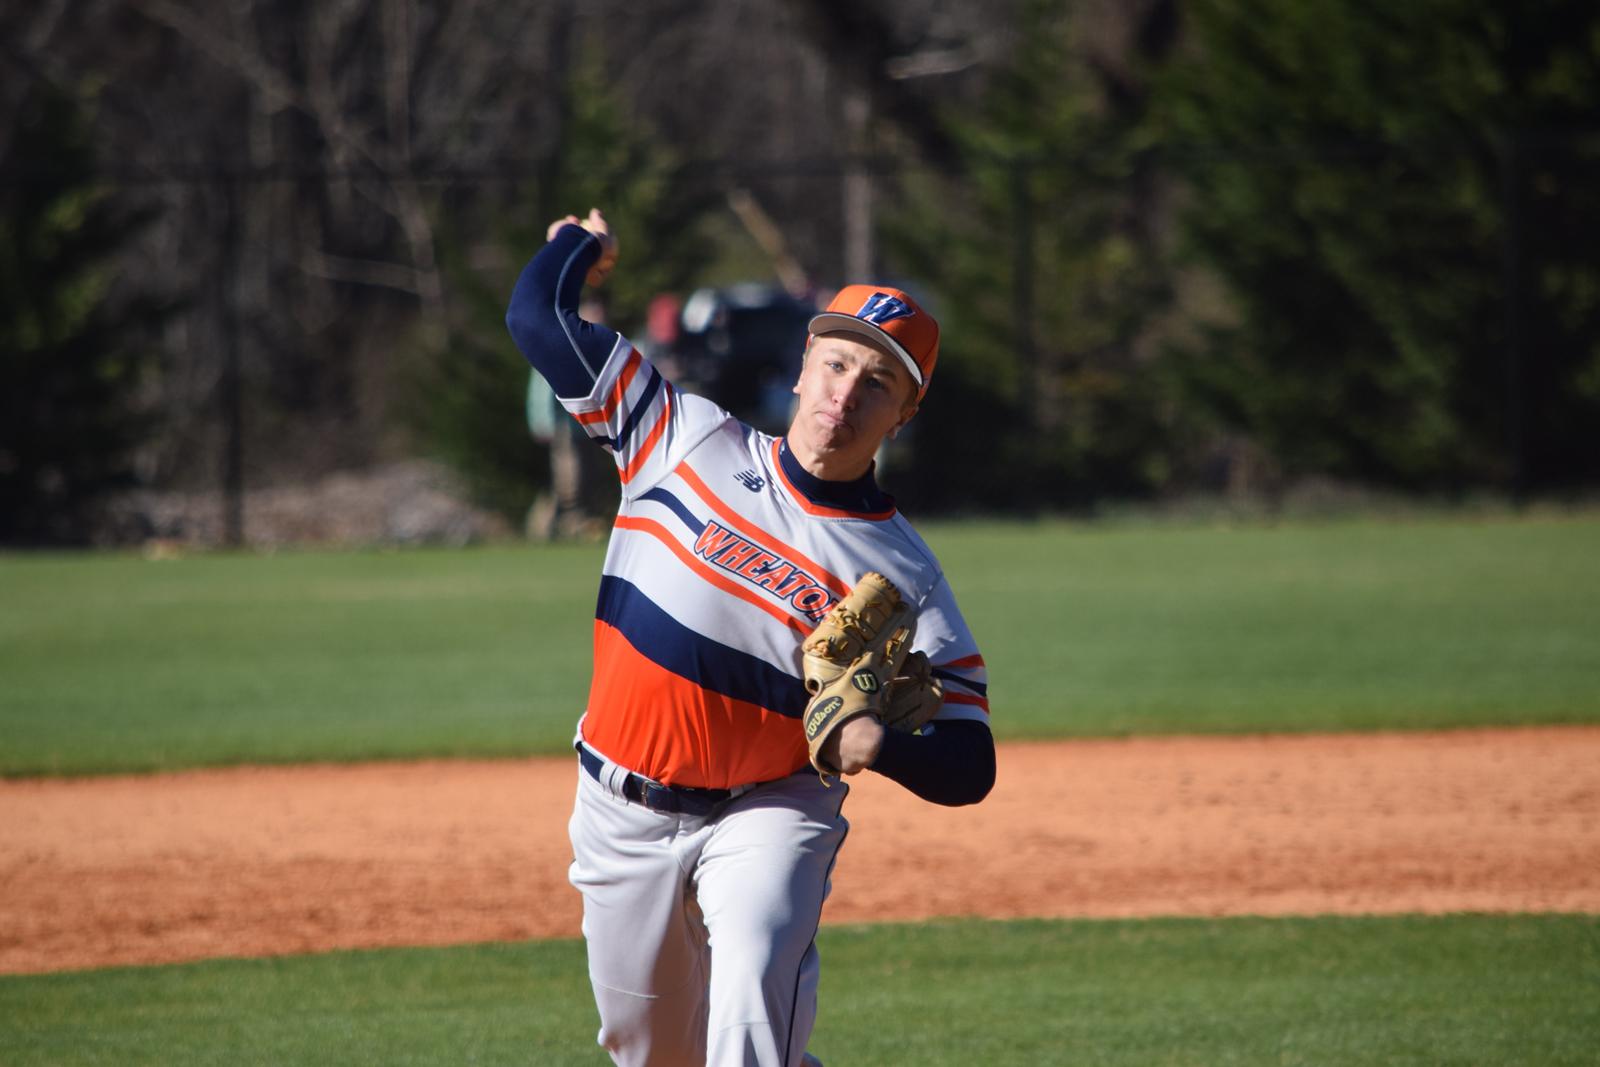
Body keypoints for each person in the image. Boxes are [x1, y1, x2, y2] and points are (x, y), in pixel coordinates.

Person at [505, 208, 995, 1067]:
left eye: (879, 381)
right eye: (837, 362)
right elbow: (536, 319)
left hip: (771, 807)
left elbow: (971, 761)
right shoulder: (678, 434)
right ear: (802, 367)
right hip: (620, 807)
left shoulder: (905, 574)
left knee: (751, 1012)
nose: (847, 392)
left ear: (904, 413)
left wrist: (878, 744)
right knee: (650, 1052)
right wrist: (581, 247)